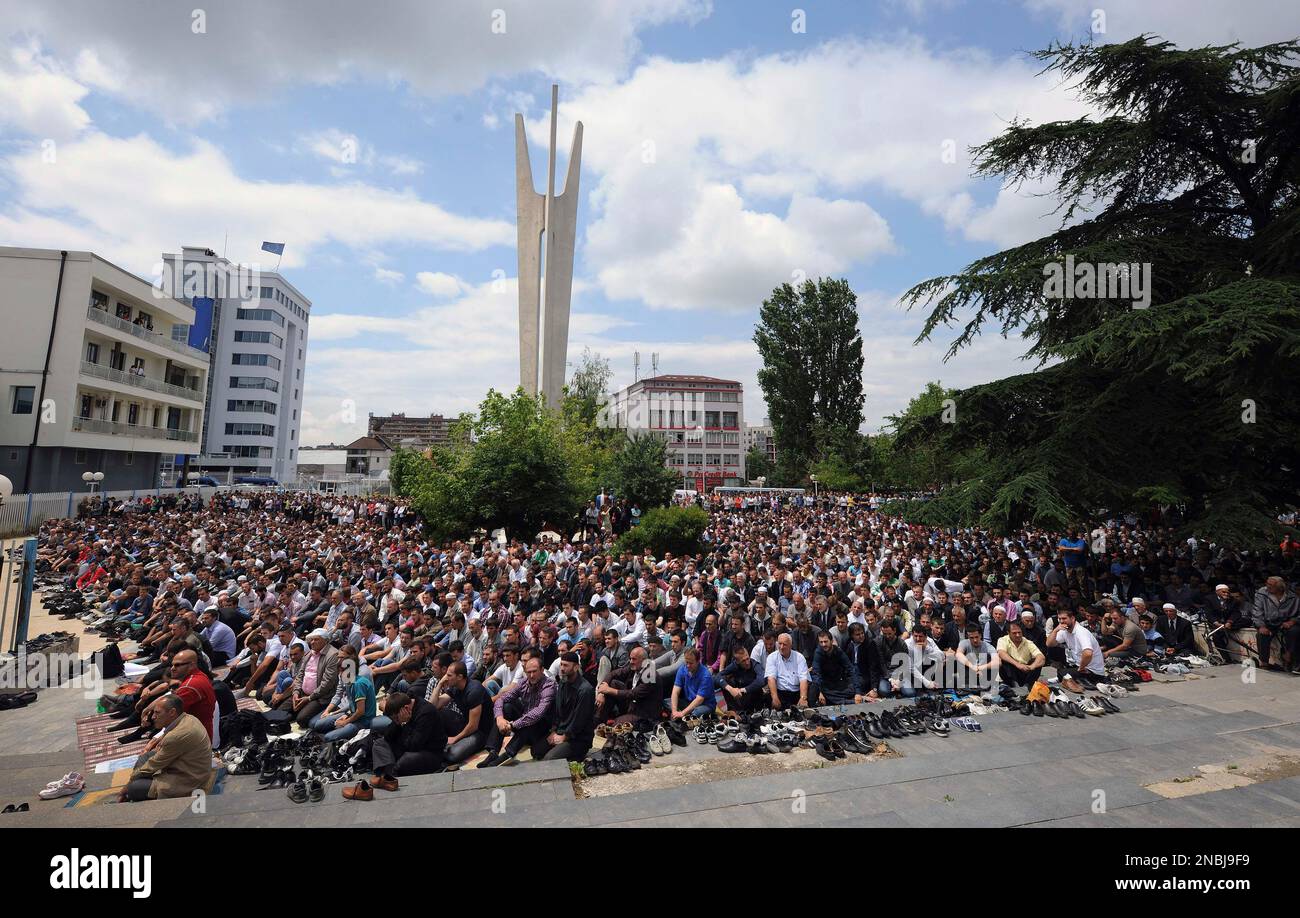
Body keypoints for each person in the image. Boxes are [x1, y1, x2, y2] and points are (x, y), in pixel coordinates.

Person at [120, 695, 215, 802]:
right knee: (145, 757)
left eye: (157, 713)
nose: (153, 717)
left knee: (134, 788)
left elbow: (153, 765)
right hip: (190, 767)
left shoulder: (176, 736)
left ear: (172, 712)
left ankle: (134, 789)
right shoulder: (188, 718)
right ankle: (139, 783)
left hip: (191, 780)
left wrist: (128, 784)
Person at [359, 691, 447, 792]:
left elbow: (414, 746)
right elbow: (388, 736)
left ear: (405, 708)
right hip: (404, 746)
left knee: (406, 760)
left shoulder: (426, 713)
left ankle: (388, 775)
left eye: (396, 718)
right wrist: (397, 723)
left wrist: (405, 722)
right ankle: (390, 776)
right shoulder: (401, 709)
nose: (396, 720)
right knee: (379, 743)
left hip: (429, 753)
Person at [479, 656, 556, 768]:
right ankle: (493, 752)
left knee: (529, 719)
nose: (532, 675)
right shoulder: (523, 682)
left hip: (542, 727)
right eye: (529, 672)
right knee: (506, 707)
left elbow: (538, 713)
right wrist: (499, 718)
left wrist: (513, 725)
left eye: (534, 671)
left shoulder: (549, 686)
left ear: (542, 670)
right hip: (525, 722)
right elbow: (501, 698)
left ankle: (508, 754)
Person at [542, 652, 596, 762]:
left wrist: (564, 737)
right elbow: (558, 712)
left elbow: (579, 721)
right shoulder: (563, 682)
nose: (561, 668)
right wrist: (554, 731)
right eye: (561, 664)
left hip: (578, 738)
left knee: (549, 759)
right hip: (561, 731)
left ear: (576, 667)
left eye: (566, 665)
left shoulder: (585, 690)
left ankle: (577, 756)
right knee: (536, 751)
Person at [596, 645, 659, 724]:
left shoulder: (651, 675)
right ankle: (598, 720)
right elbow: (613, 674)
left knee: (616, 725)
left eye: (634, 659)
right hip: (632, 704)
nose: (631, 661)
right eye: (630, 658)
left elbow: (633, 694)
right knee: (613, 683)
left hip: (644, 713)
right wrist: (602, 692)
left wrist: (608, 690)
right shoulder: (634, 666)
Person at [1046, 607, 1107, 687]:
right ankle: (1065, 677)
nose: (1061, 621)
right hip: (1078, 665)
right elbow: (1049, 644)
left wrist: (1081, 668)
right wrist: (1055, 630)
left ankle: (1064, 678)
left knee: (1061, 672)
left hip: (1092, 672)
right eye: (1059, 619)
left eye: (1064, 618)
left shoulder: (1081, 632)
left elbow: (1088, 653)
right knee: (1054, 652)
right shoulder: (1064, 630)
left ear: (1072, 618)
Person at [809, 630, 858, 705]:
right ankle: (850, 701)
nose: (823, 644)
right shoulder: (818, 653)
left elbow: (850, 669)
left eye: (825, 641)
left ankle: (841, 700)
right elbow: (816, 673)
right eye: (821, 642)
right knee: (814, 689)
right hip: (825, 685)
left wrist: (858, 692)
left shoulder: (838, 651)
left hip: (838, 684)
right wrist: (819, 692)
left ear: (831, 641)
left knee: (852, 689)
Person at [765, 632, 810, 710]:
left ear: (790, 645)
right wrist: (775, 698)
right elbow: (771, 678)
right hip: (780, 692)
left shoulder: (799, 657)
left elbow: (803, 679)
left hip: (796, 692)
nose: (781, 647)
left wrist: (803, 698)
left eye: (784, 644)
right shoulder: (772, 657)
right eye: (779, 644)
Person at [718, 642, 766, 713]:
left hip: (752, 697)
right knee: (725, 680)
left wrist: (743, 690)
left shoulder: (754, 664)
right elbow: (717, 677)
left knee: (756, 686)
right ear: (737, 662)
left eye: (747, 658)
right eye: (743, 661)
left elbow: (762, 680)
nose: (747, 662)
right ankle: (734, 711)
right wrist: (730, 689)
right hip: (738, 697)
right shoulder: (734, 666)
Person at [996, 620, 1045, 689]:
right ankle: (1013, 685)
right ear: (1008, 633)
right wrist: (1018, 665)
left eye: (1019, 632)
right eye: (1014, 633)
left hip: (1025, 671)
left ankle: (1027, 685)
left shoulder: (1028, 642)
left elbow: (1041, 657)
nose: (1018, 635)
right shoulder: (1002, 640)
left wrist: (1032, 667)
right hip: (1011, 672)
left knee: (1037, 662)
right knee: (1003, 660)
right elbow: (1001, 653)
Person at [670, 647, 715, 720]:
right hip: (689, 702)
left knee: (695, 713)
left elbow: (699, 699)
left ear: (698, 661)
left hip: (705, 705)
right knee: (668, 701)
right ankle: (681, 715)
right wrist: (674, 710)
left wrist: (682, 713)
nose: (688, 665)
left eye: (691, 663)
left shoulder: (705, 675)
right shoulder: (682, 669)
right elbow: (675, 692)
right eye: (686, 662)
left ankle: (683, 716)